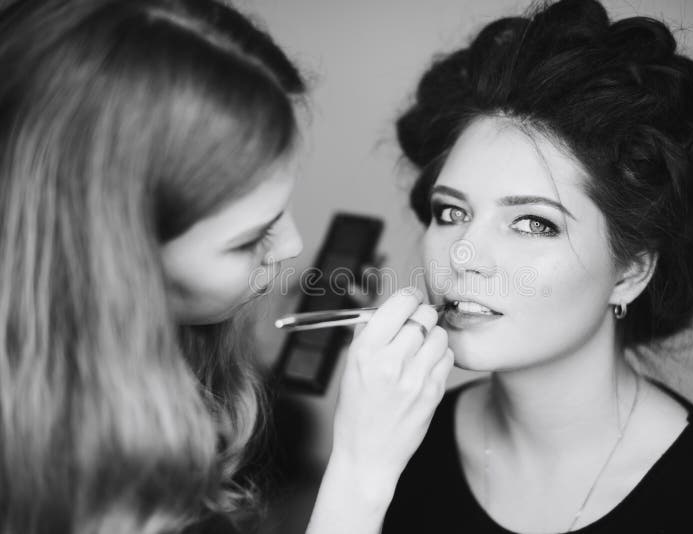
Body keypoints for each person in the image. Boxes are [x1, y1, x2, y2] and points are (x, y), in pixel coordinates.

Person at [0, 0, 453, 532]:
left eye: (281, 210)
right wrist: (361, 471)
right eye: (247, 239)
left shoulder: (180, 381)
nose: (291, 244)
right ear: (118, 263)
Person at [382, 0, 693, 532]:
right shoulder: (394, 448)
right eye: (451, 212)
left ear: (630, 272)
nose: (463, 255)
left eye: (534, 223)